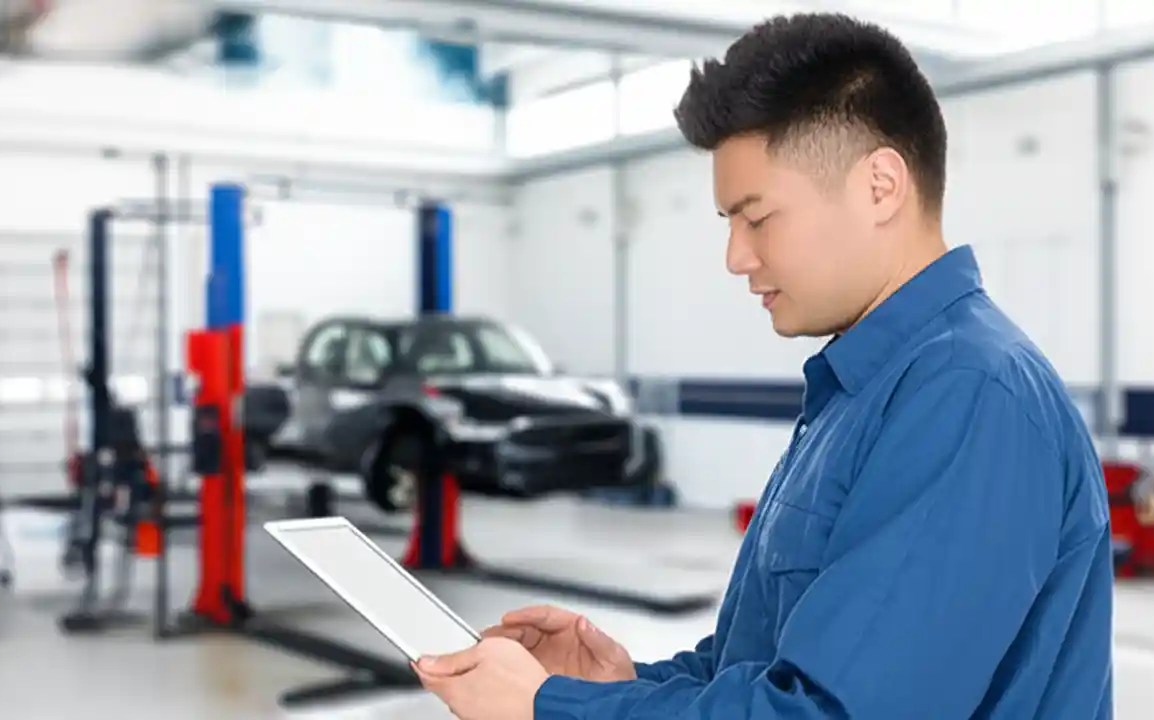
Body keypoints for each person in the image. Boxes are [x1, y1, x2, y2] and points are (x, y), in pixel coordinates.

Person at [415, 12, 1114, 719]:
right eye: (729, 223)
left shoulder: (968, 396)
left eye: (758, 217)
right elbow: (767, 671)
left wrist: (549, 710)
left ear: (880, 185)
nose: (737, 257)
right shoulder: (863, 393)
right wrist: (614, 688)